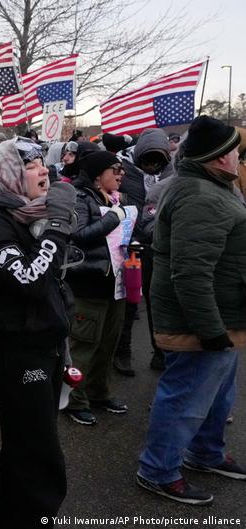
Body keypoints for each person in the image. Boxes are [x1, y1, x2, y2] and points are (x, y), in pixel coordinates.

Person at [136, 116, 246, 505]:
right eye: (234, 151)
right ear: (218, 159)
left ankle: (206, 453)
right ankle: (158, 469)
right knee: (185, 398)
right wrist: (210, 329)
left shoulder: (216, 187)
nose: (239, 157)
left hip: (223, 314)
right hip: (201, 321)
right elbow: (190, 273)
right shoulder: (201, 196)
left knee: (217, 394)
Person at [0, 138, 75, 529]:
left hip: (43, 345)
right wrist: (58, 230)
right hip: (18, 352)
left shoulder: (25, 215)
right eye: (30, 166)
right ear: (9, 176)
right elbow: (29, 279)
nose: (43, 170)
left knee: (24, 452)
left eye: (41, 163)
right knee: (38, 456)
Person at [62, 151, 130, 426]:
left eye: (122, 169)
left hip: (116, 284)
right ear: (98, 174)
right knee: (83, 346)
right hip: (89, 285)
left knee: (107, 345)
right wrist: (113, 219)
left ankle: (99, 393)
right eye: (115, 169)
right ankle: (74, 401)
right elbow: (77, 236)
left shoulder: (116, 199)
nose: (121, 173)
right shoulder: (80, 198)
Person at [113, 129, 175, 376]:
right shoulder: (124, 171)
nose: (152, 165)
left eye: (157, 159)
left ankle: (160, 351)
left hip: (158, 247)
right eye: (147, 159)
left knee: (157, 302)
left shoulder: (173, 173)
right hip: (128, 246)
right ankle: (123, 351)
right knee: (129, 303)